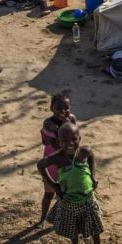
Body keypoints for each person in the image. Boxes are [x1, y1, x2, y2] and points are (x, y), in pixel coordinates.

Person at [36, 123, 112, 244]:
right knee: (73, 227)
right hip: (68, 201)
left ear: (80, 139)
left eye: (74, 139)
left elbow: (91, 154)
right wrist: (53, 185)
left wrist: (93, 175)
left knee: (95, 223)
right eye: (65, 140)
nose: (70, 143)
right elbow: (40, 165)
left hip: (88, 199)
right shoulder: (57, 158)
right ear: (59, 142)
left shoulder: (84, 152)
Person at [40, 92, 77, 224]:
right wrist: (66, 126)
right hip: (52, 162)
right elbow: (56, 145)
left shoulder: (71, 118)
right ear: (51, 109)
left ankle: (64, 218)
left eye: (66, 108)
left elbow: (75, 138)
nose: (63, 111)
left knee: (67, 193)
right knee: (49, 192)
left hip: (68, 160)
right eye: (58, 108)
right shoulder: (48, 123)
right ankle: (43, 218)